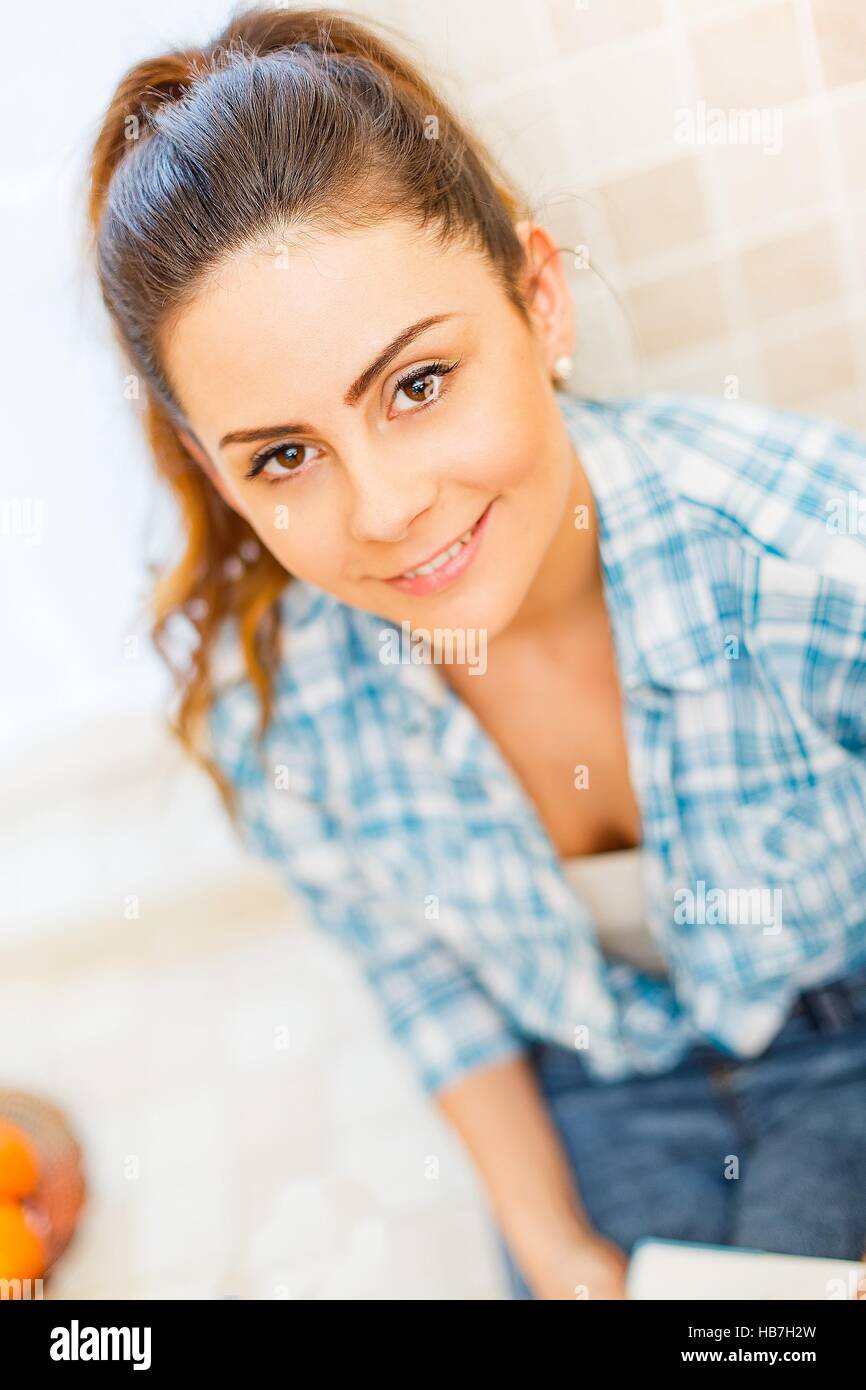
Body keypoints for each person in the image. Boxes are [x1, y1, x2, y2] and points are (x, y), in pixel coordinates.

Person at [86, 6, 866, 1300]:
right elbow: (429, 986)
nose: (385, 508)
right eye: (283, 456)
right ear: (224, 485)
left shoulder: (815, 562)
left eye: (416, 382)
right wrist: (552, 1246)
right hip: (597, 1095)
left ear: (535, 297)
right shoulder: (281, 722)